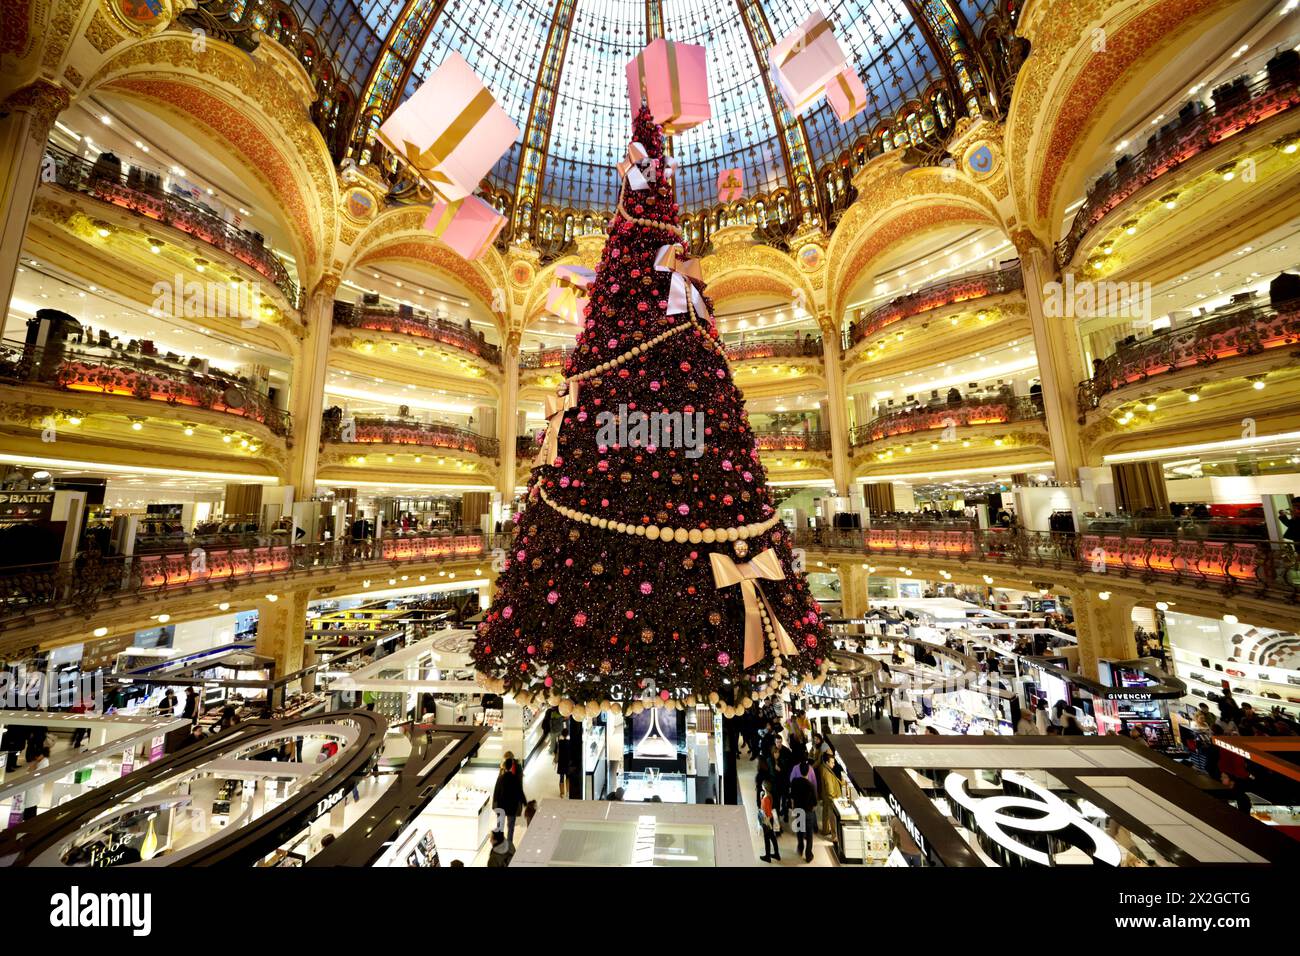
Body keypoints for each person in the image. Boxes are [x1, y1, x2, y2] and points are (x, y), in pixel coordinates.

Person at [788, 757, 819, 863]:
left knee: (800, 831)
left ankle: (800, 847)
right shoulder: (810, 785)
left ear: (799, 770)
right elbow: (815, 802)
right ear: (808, 771)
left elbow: (791, 796)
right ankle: (808, 854)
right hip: (808, 811)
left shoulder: (795, 782)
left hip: (798, 810)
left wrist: (793, 806)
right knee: (809, 834)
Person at [492, 756, 527, 846]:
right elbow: (520, 791)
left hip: (501, 806)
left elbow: (496, 792)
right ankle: (509, 844)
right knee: (510, 827)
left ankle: (499, 843)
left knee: (500, 826)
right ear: (512, 766)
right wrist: (525, 802)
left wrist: (494, 805)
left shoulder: (501, 778)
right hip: (512, 806)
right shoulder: (515, 779)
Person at [758, 780, 781, 863]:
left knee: (767, 839)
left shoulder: (766, 799)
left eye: (762, 785)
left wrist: (766, 823)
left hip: (766, 821)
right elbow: (765, 808)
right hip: (769, 820)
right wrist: (761, 797)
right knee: (772, 838)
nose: (761, 785)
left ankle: (767, 857)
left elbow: (767, 812)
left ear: (765, 787)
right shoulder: (769, 796)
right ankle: (776, 854)